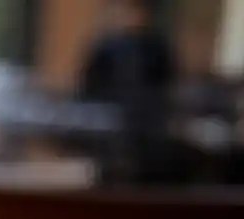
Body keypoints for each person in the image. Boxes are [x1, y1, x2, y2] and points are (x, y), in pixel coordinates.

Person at [77, 0, 180, 183]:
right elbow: (89, 84)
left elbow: (167, 82)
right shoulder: (107, 46)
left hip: (148, 122)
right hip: (111, 119)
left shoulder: (157, 47)